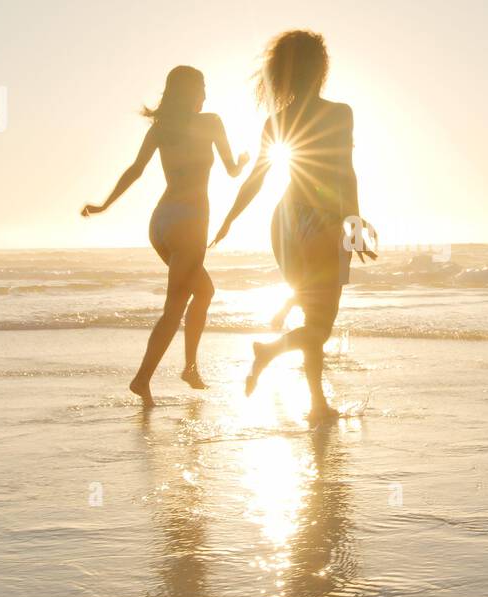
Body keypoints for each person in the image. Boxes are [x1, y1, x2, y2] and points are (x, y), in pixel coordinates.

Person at [210, 30, 375, 422]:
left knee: (311, 317)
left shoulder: (276, 121)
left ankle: (318, 404)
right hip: (322, 220)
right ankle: (271, 354)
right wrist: (353, 224)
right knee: (319, 326)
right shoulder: (339, 113)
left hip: (285, 221)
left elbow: (257, 179)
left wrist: (230, 218)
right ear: (320, 70)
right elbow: (344, 173)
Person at [81, 66, 248, 405]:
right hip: (189, 222)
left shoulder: (160, 129)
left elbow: (135, 170)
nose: (206, 94)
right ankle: (142, 379)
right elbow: (231, 170)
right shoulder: (212, 122)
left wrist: (104, 206)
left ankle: (189, 367)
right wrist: (243, 161)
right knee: (175, 307)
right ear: (191, 92)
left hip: (162, 223)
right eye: (202, 87)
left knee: (203, 291)